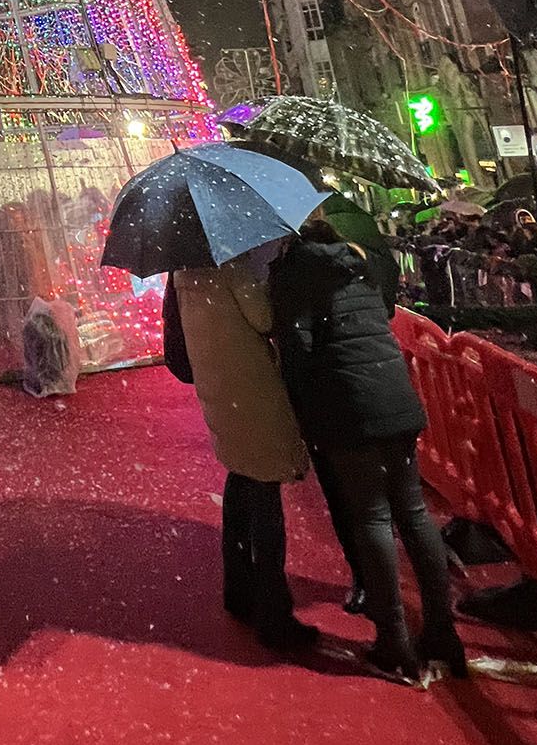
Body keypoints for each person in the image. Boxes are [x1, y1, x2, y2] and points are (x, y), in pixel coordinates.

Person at [271, 219, 466, 681]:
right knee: (415, 514)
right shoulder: (359, 265)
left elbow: (299, 354)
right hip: (395, 396)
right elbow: (380, 317)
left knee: (372, 517)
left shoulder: (293, 278)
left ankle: (394, 640)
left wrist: (303, 415)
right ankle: (442, 631)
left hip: (348, 408)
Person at [171, 249, 313, 651]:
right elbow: (265, 317)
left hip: (220, 386)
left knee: (242, 476)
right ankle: (274, 612)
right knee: (266, 485)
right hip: (250, 386)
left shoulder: (183, 271)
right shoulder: (228, 269)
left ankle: (239, 589)